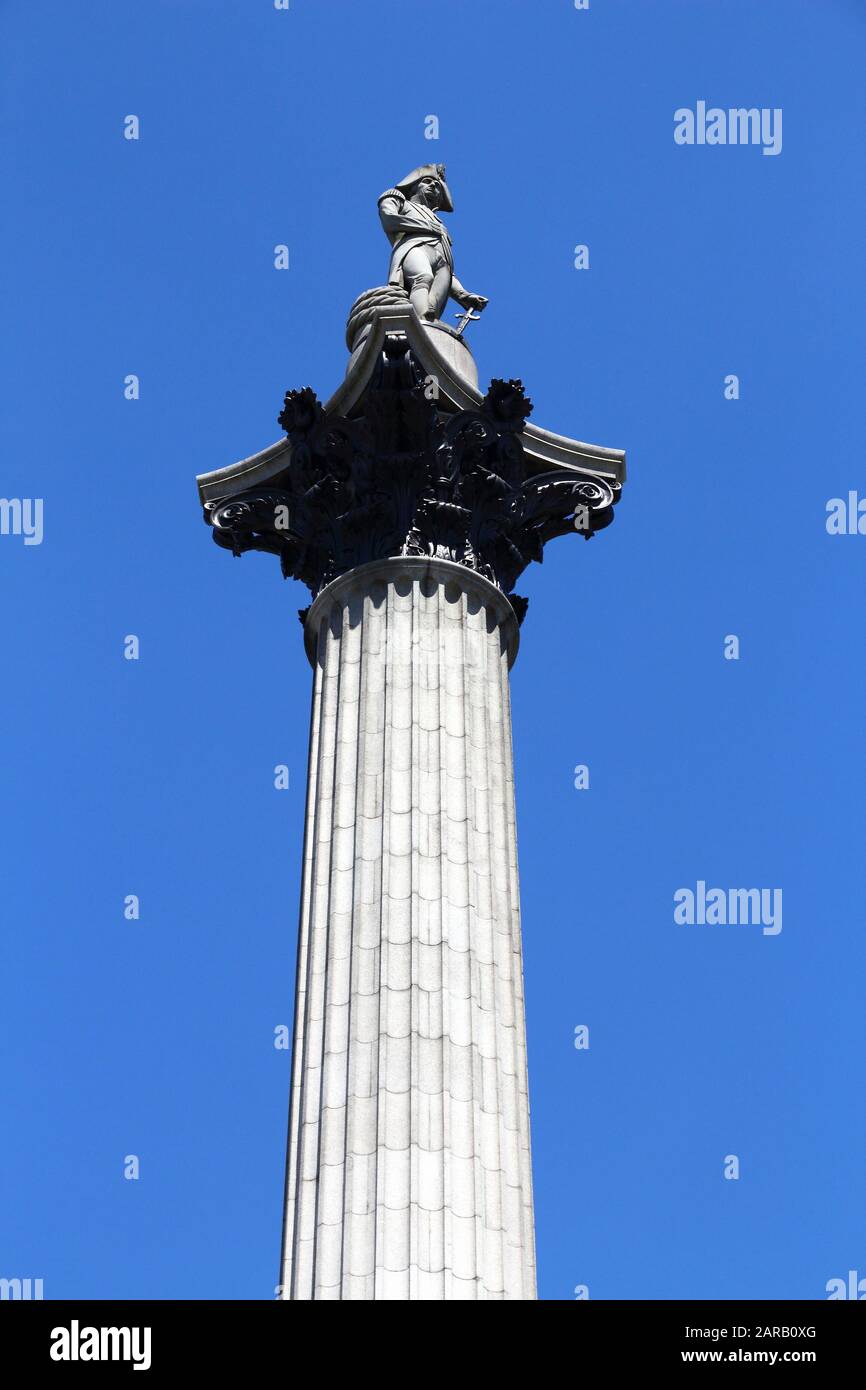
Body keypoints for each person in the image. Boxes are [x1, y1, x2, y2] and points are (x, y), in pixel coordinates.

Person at [378, 163, 488, 324]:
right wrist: (428, 226)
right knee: (423, 277)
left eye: (436, 185)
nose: (432, 186)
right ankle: (418, 323)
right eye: (427, 181)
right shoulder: (401, 202)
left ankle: (428, 325)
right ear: (414, 186)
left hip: (443, 263)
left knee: (433, 307)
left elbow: (451, 276)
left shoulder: (439, 222)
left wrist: (463, 295)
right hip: (414, 247)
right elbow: (389, 219)